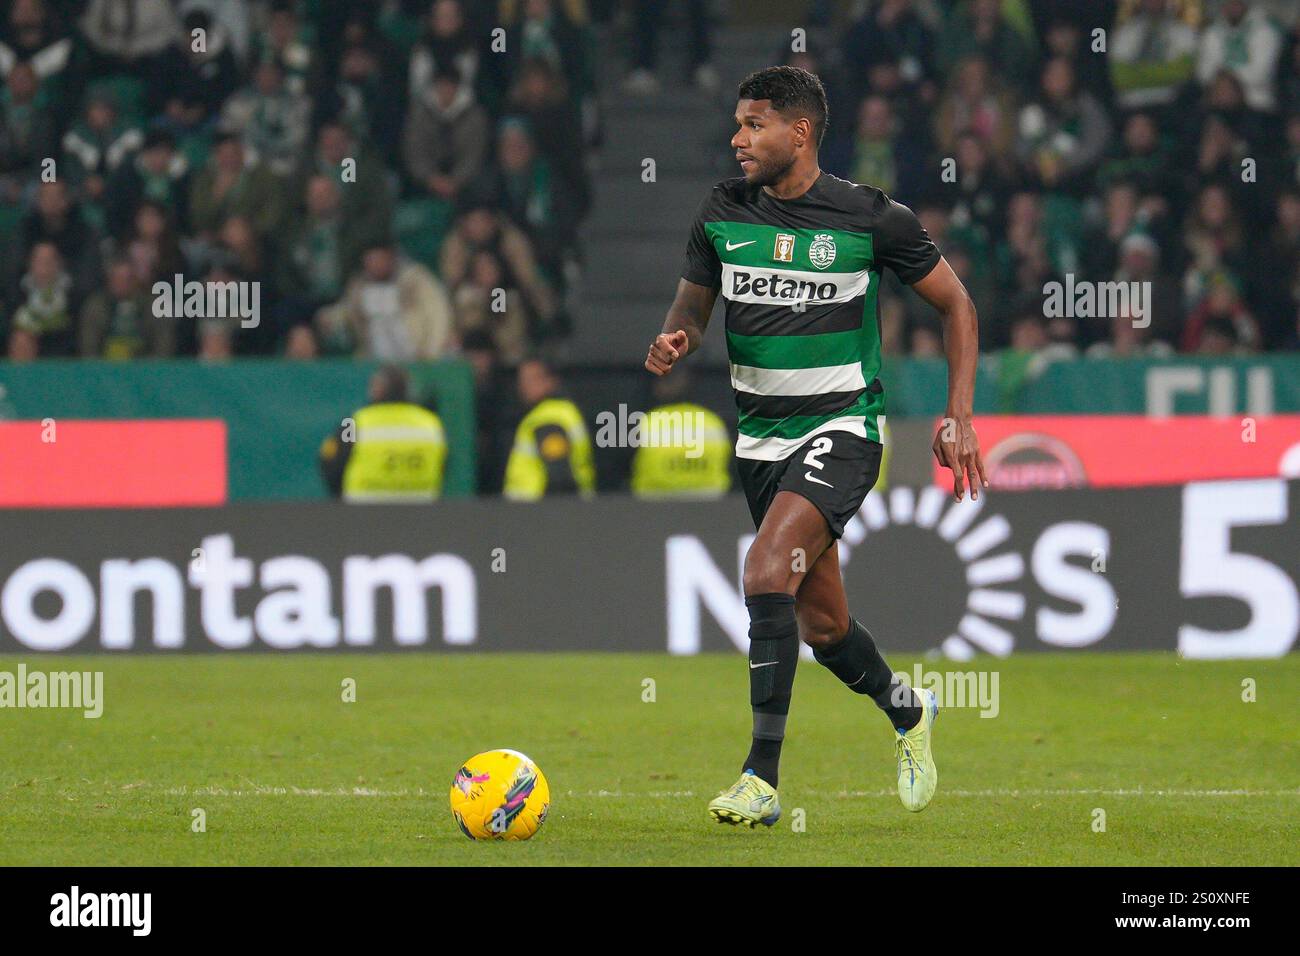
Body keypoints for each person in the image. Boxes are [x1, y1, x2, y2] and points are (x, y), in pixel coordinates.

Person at [644, 66, 986, 827]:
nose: (738, 138)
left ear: (798, 132)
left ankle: (759, 780)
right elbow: (693, 305)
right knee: (823, 625)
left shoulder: (870, 218)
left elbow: (956, 303)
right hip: (762, 445)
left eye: (754, 124)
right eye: (737, 123)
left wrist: (959, 414)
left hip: (842, 429)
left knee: (765, 571)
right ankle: (909, 711)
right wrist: (679, 336)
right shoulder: (722, 212)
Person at [319, 364, 448, 502]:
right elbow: (444, 465)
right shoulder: (432, 424)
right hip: (422, 513)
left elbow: (331, 463)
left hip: (365, 513)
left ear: (377, 390)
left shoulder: (353, 423)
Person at [629, 367, 732, 499]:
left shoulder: (647, 423)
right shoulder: (713, 422)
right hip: (712, 509)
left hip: (653, 510)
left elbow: (624, 468)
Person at [503, 356, 594, 500]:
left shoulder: (548, 417)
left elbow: (559, 474)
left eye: (533, 379)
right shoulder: (563, 411)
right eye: (522, 380)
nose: (524, 386)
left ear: (551, 381)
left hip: (540, 514)